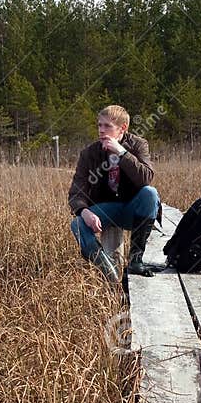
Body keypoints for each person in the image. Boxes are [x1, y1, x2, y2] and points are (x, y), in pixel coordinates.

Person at [68, 105, 161, 281]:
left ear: (123, 128)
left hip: (132, 210)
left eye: (107, 126)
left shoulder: (138, 145)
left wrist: (121, 152)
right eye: (99, 125)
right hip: (106, 209)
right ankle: (109, 272)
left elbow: (146, 178)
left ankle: (135, 261)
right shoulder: (89, 153)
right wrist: (84, 211)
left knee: (150, 193)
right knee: (77, 225)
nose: (101, 131)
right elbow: (76, 191)